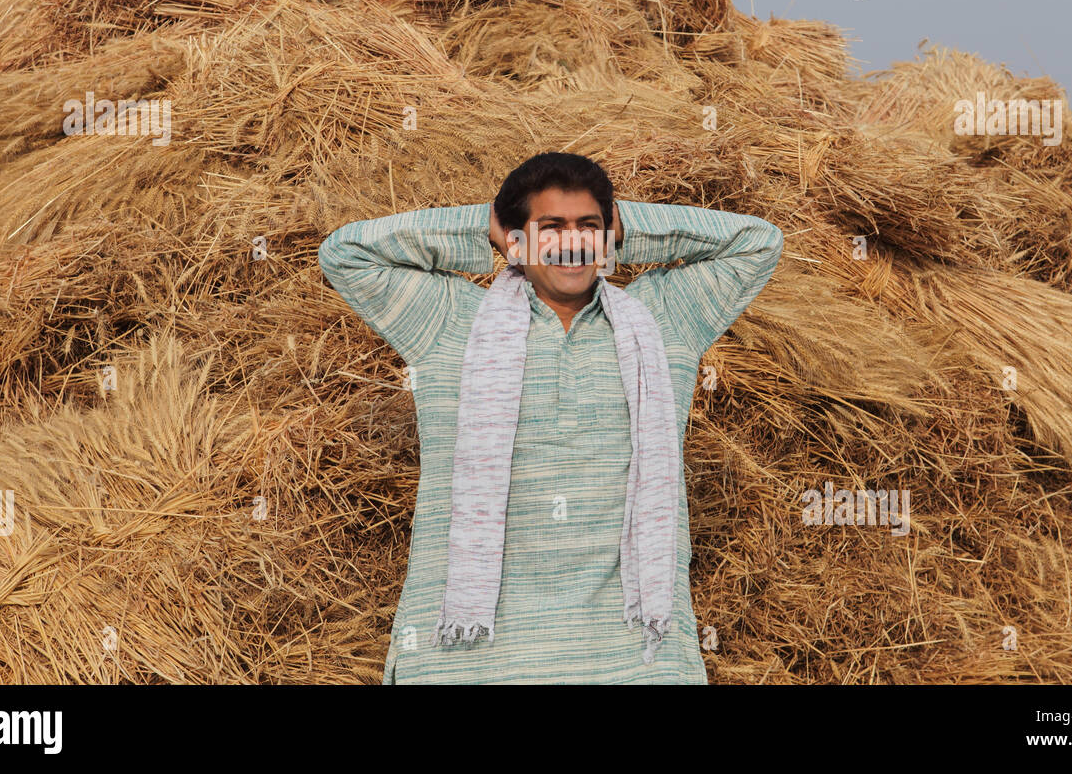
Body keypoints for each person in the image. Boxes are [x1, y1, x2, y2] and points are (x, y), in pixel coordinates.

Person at [318, 152, 783, 683]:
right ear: (516, 240)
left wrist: (626, 226)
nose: (573, 241)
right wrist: (483, 226)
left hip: (631, 657)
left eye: (588, 226)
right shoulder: (449, 321)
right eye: (552, 227)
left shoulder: (663, 318)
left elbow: (759, 243)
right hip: (472, 661)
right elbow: (345, 253)